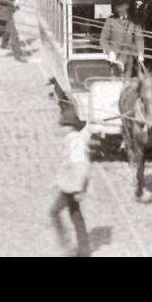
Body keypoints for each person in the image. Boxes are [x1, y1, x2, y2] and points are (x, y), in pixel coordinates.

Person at [49, 108, 91, 257]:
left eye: (63, 125)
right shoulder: (72, 140)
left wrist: (80, 189)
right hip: (69, 184)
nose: (61, 129)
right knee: (76, 215)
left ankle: (65, 245)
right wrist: (57, 181)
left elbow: (81, 166)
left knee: (54, 212)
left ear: (69, 127)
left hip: (72, 186)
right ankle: (84, 250)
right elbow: (66, 164)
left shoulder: (75, 142)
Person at [99, 0, 144, 76]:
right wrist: (110, 52)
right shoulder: (110, 20)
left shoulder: (134, 21)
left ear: (127, 6)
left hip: (130, 59)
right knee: (116, 83)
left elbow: (139, 39)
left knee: (128, 83)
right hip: (115, 59)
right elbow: (103, 40)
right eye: (117, 5)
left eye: (122, 4)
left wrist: (140, 53)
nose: (118, 7)